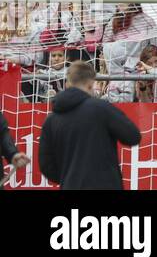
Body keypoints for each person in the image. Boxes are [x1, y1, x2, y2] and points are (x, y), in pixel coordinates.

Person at [38, 60, 142, 190]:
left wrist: (70, 177)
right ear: (90, 84)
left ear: (67, 83)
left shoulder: (51, 119)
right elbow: (133, 136)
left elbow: (46, 164)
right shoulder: (101, 108)